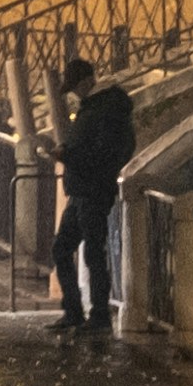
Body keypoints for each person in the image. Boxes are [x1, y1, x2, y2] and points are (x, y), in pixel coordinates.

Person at [50, 55, 134, 334]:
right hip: (81, 192)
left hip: (93, 191)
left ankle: (98, 315)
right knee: (63, 249)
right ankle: (75, 311)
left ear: (87, 82)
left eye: (75, 87)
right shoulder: (93, 107)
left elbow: (105, 153)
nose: (73, 93)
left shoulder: (105, 109)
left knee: (93, 254)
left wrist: (69, 155)